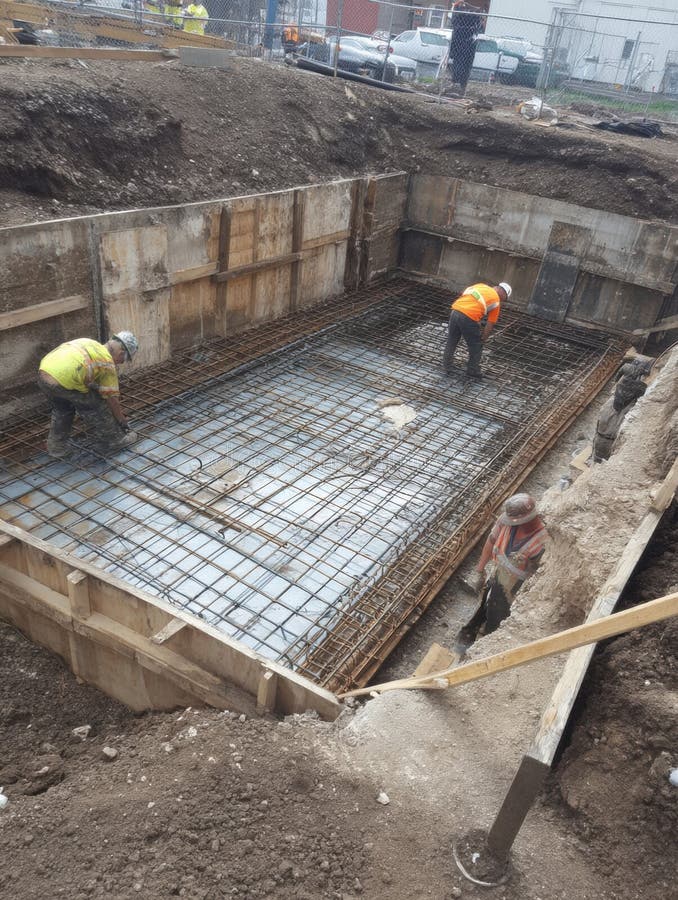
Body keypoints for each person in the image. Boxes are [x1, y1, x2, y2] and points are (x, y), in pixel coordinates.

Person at [461, 493, 547, 641]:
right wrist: (479, 570)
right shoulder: (506, 522)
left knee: (497, 617)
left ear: (526, 519)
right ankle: (468, 635)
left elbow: (537, 576)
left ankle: (485, 642)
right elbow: (491, 540)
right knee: (482, 606)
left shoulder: (541, 542)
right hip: (496, 575)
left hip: (512, 590)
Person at [38, 332, 139, 458]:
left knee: (63, 410)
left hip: (44, 375)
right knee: (97, 404)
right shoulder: (107, 363)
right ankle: (115, 440)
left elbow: (79, 367)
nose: (121, 363)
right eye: (123, 360)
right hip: (65, 382)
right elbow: (112, 400)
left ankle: (57, 449)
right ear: (121, 353)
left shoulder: (88, 342)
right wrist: (122, 420)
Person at [442, 281, 511, 379]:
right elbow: (490, 323)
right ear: (503, 294)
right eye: (505, 299)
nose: (503, 301)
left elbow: (467, 295)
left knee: (452, 340)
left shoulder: (480, 286)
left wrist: (476, 319)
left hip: (455, 310)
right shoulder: (496, 301)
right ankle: (473, 370)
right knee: (476, 345)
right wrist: (483, 338)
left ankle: (447, 365)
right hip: (468, 317)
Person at [592, 361, 648, 462]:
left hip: (602, 438)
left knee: (598, 458)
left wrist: (617, 382)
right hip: (609, 441)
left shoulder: (608, 407)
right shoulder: (629, 409)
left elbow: (617, 379)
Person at [448, 1, 486, 95]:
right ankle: (456, 84)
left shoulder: (472, 18)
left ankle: (461, 86)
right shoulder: (460, 12)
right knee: (458, 64)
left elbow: (479, 14)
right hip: (460, 42)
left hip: (467, 44)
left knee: (465, 66)